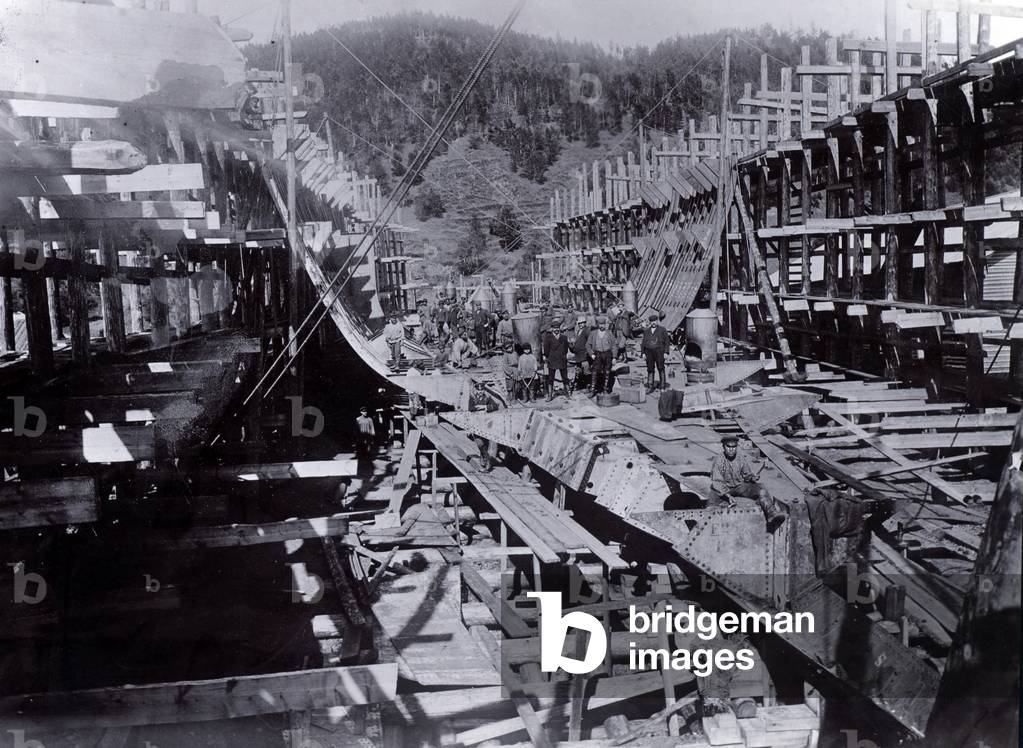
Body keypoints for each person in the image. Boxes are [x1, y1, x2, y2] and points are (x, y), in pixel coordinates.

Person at [709, 436, 786, 530]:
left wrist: (752, 477)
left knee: (760, 488)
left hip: (738, 486)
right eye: (728, 446)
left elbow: (746, 474)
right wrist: (728, 496)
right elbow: (717, 481)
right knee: (711, 504)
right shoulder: (718, 460)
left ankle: (771, 512)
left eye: (734, 446)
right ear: (723, 447)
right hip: (723, 488)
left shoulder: (740, 458)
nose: (731, 449)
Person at [468, 380, 500, 471]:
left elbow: (495, 406)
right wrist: (477, 408)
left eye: (482, 390)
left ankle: (484, 463)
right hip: (476, 423)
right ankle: (487, 459)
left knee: (485, 443)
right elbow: (470, 408)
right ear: (476, 390)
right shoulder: (472, 398)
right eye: (478, 390)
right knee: (479, 443)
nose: (480, 392)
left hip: (485, 424)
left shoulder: (487, 398)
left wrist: (485, 407)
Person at [586, 316, 618, 395]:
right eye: (600, 324)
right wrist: (591, 354)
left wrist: (614, 357)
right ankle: (593, 389)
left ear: (605, 324)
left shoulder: (609, 333)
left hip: (607, 354)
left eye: (603, 324)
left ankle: (605, 389)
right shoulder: (593, 333)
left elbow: (614, 345)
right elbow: (588, 345)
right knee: (595, 372)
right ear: (598, 325)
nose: (601, 326)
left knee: (607, 372)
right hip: (597, 354)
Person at [641, 312, 670, 392]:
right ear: (650, 322)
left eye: (654, 321)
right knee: (650, 369)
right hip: (648, 352)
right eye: (652, 321)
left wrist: (666, 352)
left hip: (659, 352)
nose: (653, 323)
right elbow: (643, 342)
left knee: (661, 368)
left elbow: (667, 342)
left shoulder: (662, 330)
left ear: (657, 321)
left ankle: (662, 386)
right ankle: (650, 386)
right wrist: (643, 353)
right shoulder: (646, 331)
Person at [543, 322, 572, 401]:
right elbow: (546, 350)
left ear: (559, 328)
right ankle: (550, 395)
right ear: (552, 329)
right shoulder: (548, 338)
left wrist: (562, 355)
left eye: (557, 328)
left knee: (565, 378)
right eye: (554, 328)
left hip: (562, 360)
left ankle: (568, 394)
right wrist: (548, 357)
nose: (556, 329)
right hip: (552, 360)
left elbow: (566, 349)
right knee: (551, 378)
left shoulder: (564, 337)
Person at [572, 317, 593, 392]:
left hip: (584, 354)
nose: (580, 324)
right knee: (578, 370)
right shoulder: (579, 331)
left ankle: (589, 386)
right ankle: (578, 385)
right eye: (579, 323)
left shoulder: (587, 330)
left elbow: (590, 342)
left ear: (585, 323)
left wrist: (588, 351)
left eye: (582, 323)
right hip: (578, 355)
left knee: (586, 370)